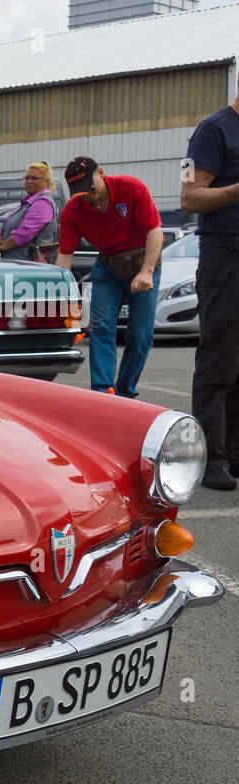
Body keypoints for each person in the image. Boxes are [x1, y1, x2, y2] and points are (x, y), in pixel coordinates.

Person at [56, 157, 163, 399]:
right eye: (80, 192)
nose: (87, 196)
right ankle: (103, 392)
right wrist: (60, 294)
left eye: (90, 188)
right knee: (102, 328)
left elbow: (154, 231)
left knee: (140, 336)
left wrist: (146, 271)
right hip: (108, 267)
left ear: (101, 173)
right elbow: (65, 256)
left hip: (144, 261)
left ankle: (125, 391)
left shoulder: (131, 187)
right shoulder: (73, 211)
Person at [182, 91, 239, 491]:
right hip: (225, 252)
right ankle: (211, 456)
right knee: (220, 352)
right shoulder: (213, 129)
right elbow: (189, 198)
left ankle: (235, 452)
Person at [0, 162, 58, 261]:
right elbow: (8, 227)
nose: (29, 181)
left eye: (34, 178)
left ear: (46, 181)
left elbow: (24, 234)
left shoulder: (43, 203)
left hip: (29, 265)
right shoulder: (28, 202)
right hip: (16, 262)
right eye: (27, 178)